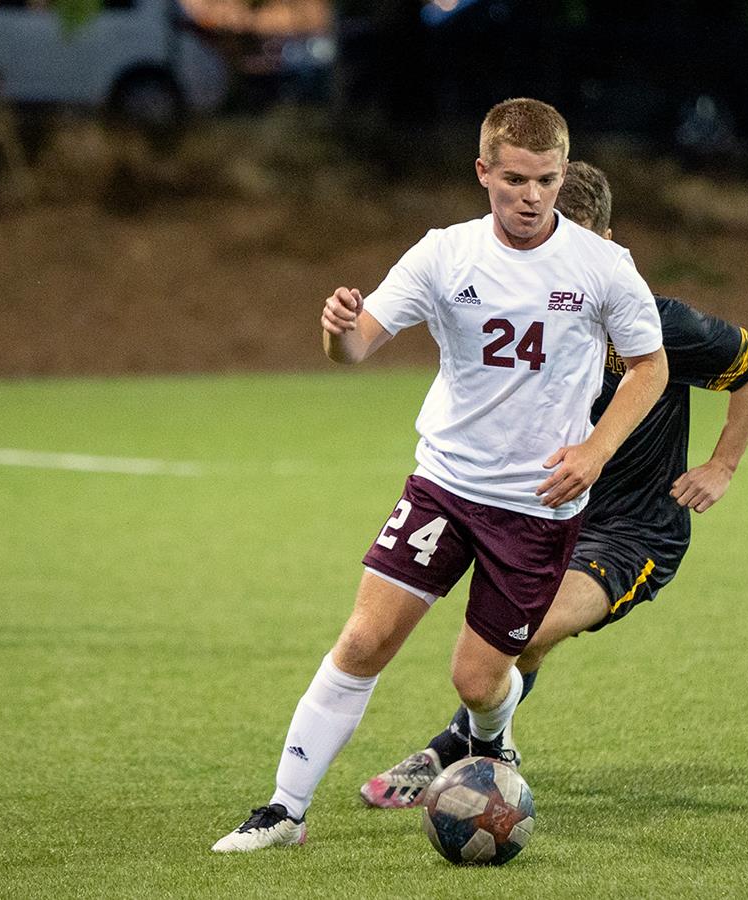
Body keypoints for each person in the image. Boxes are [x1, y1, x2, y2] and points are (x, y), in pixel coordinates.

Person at [212, 100, 670, 852]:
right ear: (483, 172)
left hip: (536, 510)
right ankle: (284, 810)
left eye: (547, 181)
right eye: (514, 179)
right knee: (362, 643)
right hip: (445, 487)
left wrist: (594, 453)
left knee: (476, 681)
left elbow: (649, 369)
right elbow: (358, 347)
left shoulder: (601, 266)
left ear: (563, 176)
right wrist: (336, 332)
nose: (531, 197)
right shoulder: (443, 254)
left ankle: (494, 741)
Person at [358, 161, 748, 808]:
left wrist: (722, 464)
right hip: (546, 520)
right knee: (513, 638)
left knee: (525, 632)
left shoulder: (653, 324)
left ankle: (459, 747)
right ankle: (478, 743)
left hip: (633, 535)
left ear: (605, 242)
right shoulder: (528, 314)